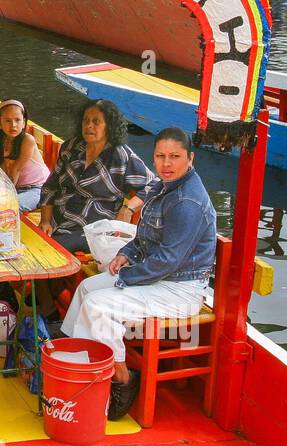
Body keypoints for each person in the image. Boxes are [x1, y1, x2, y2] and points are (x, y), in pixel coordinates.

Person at [62, 128, 218, 421]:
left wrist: (126, 278)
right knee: (88, 288)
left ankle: (121, 377)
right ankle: (77, 357)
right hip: (157, 275)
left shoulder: (187, 202)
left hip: (179, 289)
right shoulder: (164, 186)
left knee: (99, 305)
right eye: (160, 156)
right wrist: (127, 253)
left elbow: (168, 261)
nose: (166, 163)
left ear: (190, 159)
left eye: (175, 157)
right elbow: (145, 235)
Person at [35, 99, 160, 319]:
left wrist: (129, 208)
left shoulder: (121, 155)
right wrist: (45, 220)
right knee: (33, 243)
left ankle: (47, 310)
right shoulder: (72, 147)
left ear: (109, 126)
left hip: (93, 227)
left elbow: (154, 185)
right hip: (59, 219)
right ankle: (48, 293)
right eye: (85, 121)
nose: (89, 126)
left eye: (96, 122)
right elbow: (51, 186)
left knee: (48, 251)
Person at [0, 99, 50, 211]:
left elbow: (15, 170)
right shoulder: (2, 140)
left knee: (8, 208)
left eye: (17, 120)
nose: (13, 125)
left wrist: (4, 195)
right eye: (8, 121)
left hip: (38, 189)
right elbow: (3, 170)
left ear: (23, 123)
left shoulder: (27, 140)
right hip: (17, 187)